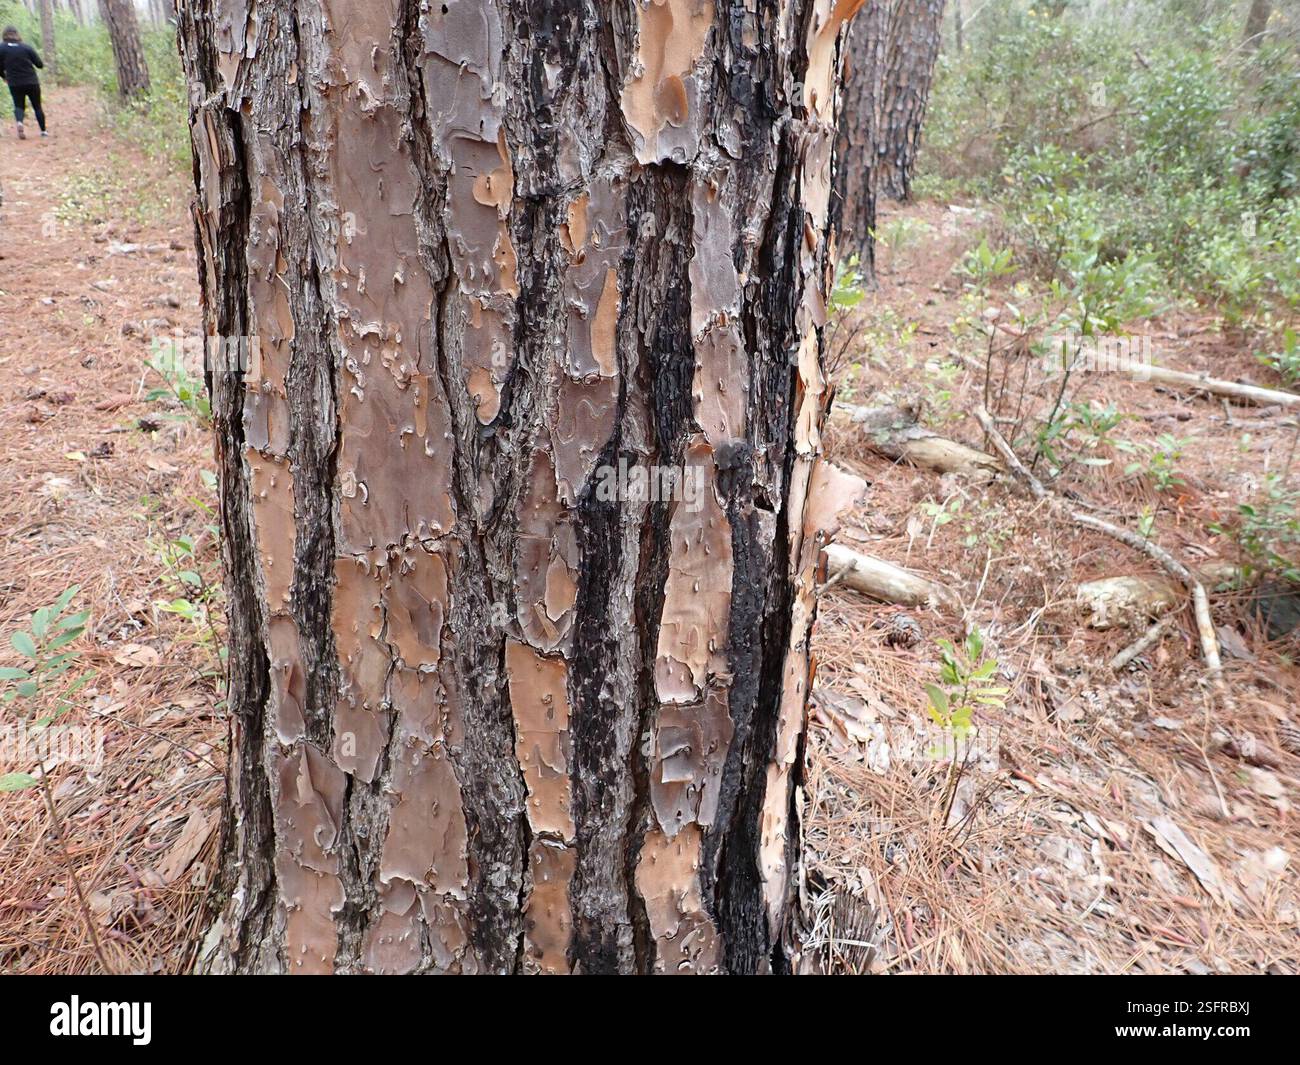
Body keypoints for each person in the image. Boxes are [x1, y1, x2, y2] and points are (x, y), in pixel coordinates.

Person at [0, 26, 46, 140]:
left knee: (18, 105)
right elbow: (39, 64)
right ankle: (43, 131)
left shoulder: (1, 48)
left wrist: (4, 76)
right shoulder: (26, 47)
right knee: (37, 106)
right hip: (31, 81)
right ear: (17, 34)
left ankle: (20, 123)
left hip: (14, 82)